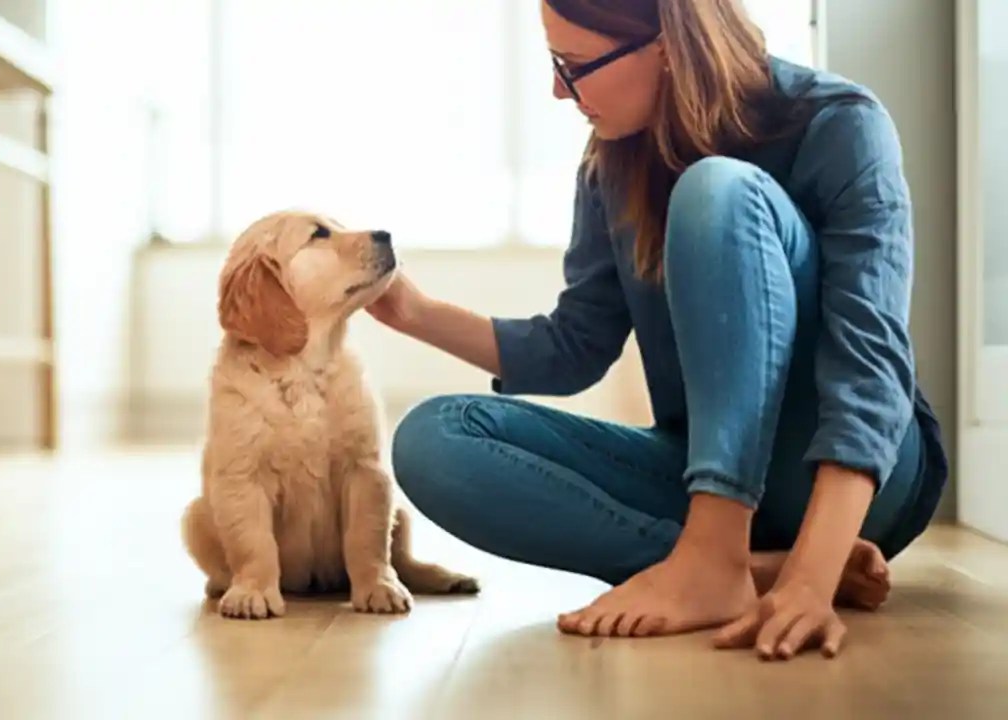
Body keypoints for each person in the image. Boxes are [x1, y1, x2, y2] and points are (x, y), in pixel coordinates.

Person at [368, 0, 948, 661]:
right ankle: (737, 567)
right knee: (431, 438)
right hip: (698, 466)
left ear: (667, 45)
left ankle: (725, 551)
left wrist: (814, 580)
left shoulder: (839, 122)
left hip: (850, 479)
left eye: (575, 66)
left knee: (718, 192)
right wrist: (413, 313)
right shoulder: (613, 156)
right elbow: (573, 348)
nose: (559, 90)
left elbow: (869, 371)